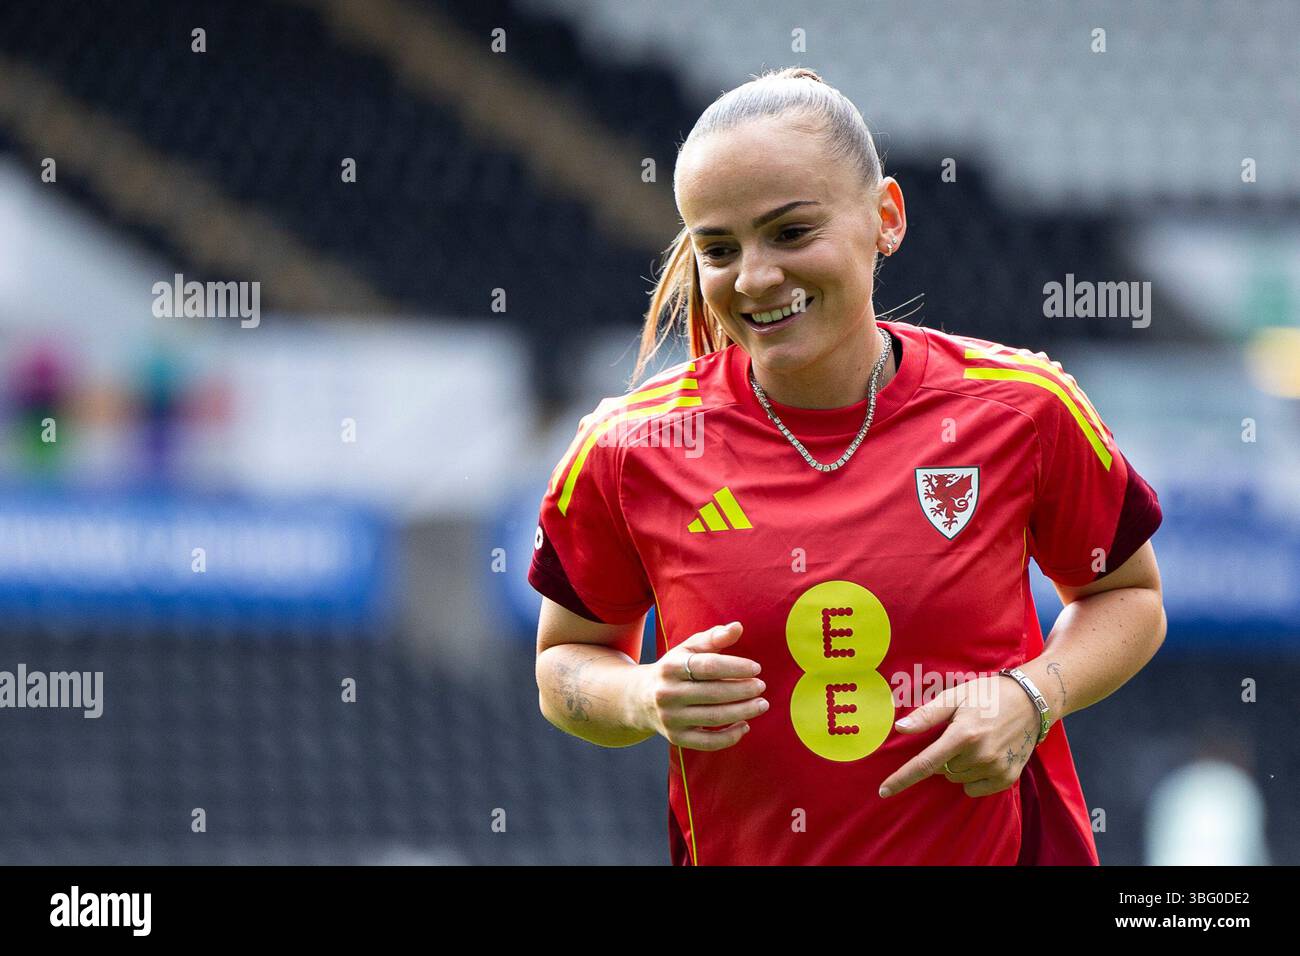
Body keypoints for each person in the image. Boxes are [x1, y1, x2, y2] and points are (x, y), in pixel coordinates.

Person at [528, 67, 1165, 865]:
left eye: (791, 233)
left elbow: (1129, 598)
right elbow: (563, 666)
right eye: (718, 248)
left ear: (885, 217)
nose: (755, 277)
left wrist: (1033, 696)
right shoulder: (631, 446)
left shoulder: (1023, 407)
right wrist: (640, 695)